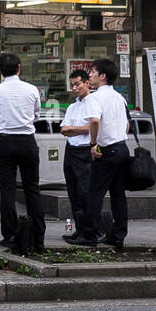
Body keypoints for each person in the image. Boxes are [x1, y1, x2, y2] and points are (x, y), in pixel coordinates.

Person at [0, 52, 43, 251]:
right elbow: (36, 114)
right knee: (32, 189)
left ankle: (9, 235)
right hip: (27, 141)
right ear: (19, 67)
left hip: (5, 143)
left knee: (7, 190)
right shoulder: (32, 89)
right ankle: (38, 236)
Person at [71, 58, 131, 250]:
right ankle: (119, 235)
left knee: (94, 193)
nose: (90, 75)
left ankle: (90, 234)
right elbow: (127, 124)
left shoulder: (95, 98)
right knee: (118, 195)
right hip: (122, 148)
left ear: (102, 76)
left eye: (93, 72)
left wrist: (94, 143)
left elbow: (95, 121)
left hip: (106, 150)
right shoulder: (120, 97)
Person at [60, 69, 94, 241]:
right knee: (73, 192)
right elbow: (63, 130)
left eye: (78, 84)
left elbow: (93, 126)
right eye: (72, 84)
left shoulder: (93, 102)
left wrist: (73, 130)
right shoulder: (72, 106)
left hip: (85, 151)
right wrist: (76, 130)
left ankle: (90, 232)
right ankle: (79, 229)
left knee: (85, 192)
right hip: (70, 151)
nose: (74, 88)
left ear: (87, 83)